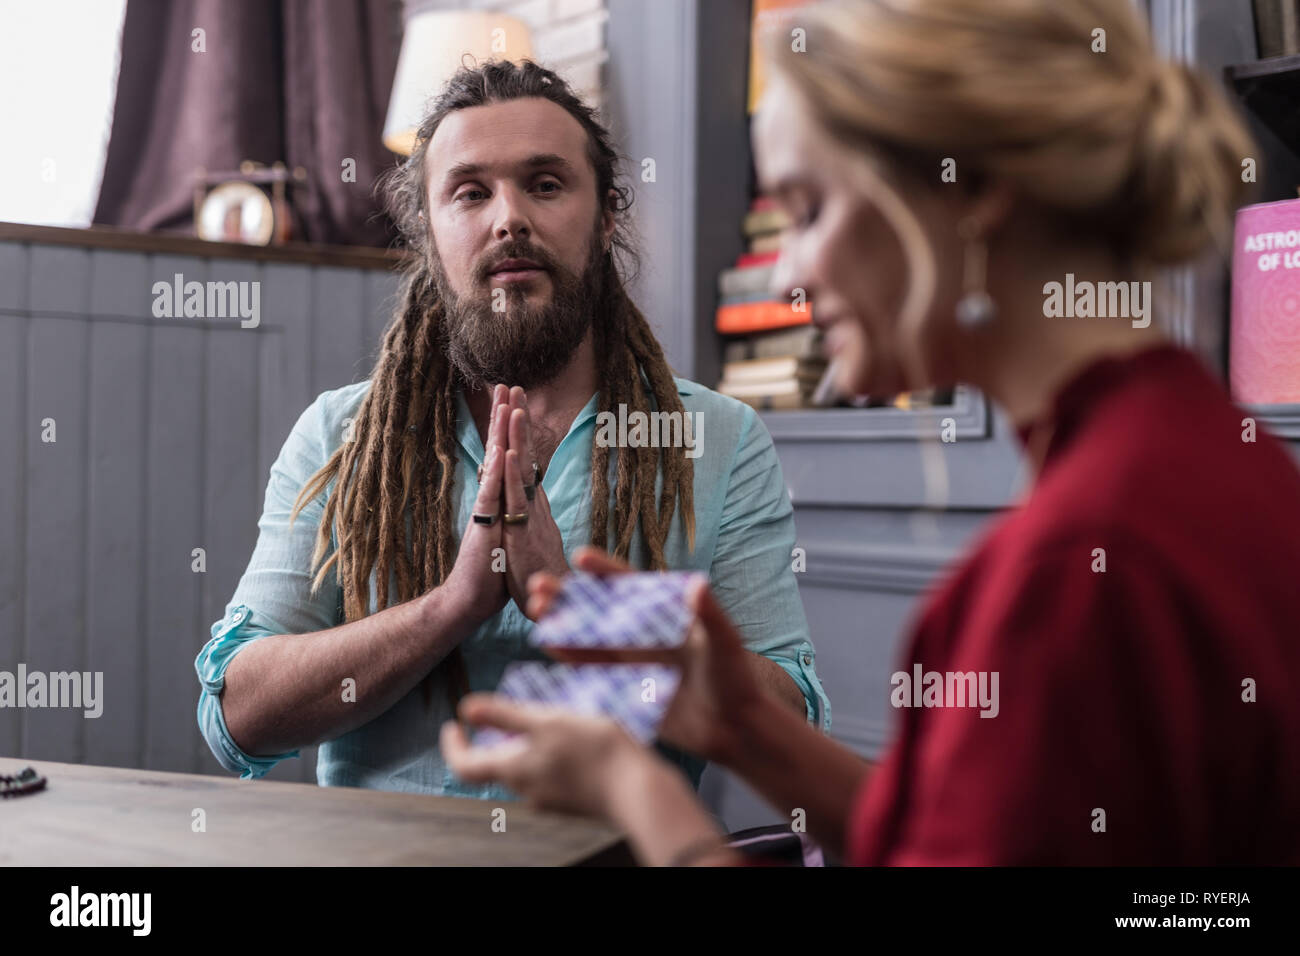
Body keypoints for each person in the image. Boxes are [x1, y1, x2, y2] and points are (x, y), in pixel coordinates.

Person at [443, 0, 1300, 864]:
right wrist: (743, 721)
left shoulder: (1074, 571)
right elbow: (960, 829)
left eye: (809, 211)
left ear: (972, 193)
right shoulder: (1200, 454)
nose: (791, 270)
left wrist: (633, 788)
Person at [194, 60, 830, 798]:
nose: (509, 218)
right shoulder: (342, 432)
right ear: (426, 229)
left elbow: (788, 721)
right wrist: (453, 606)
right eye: (470, 192)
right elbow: (237, 715)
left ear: (607, 217)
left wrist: (578, 607)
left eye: (546, 184)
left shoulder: (718, 438)